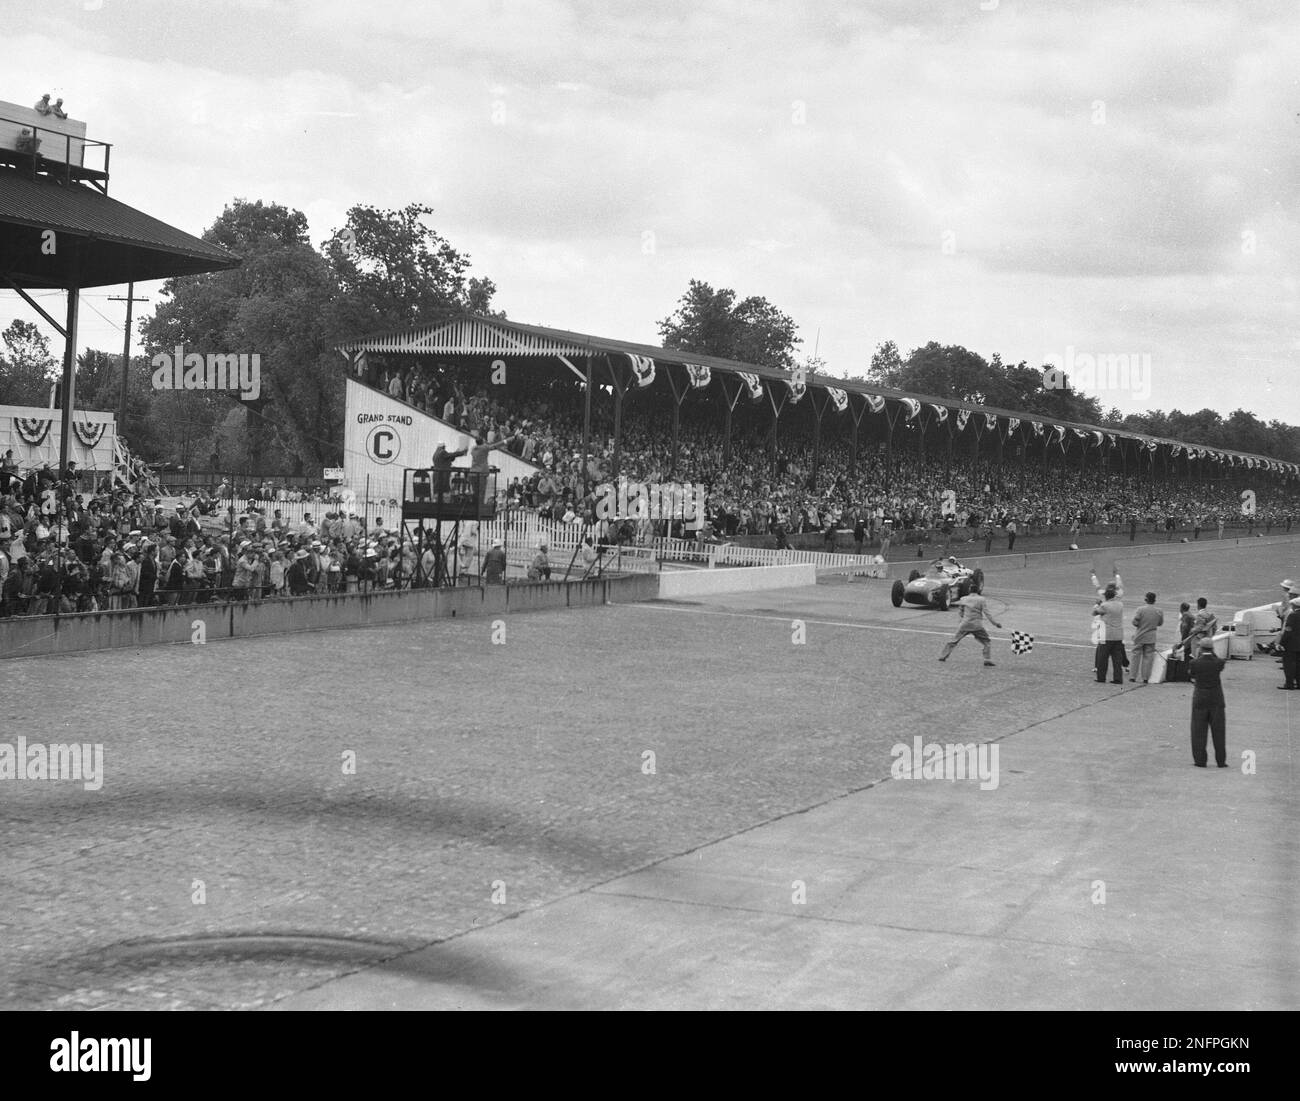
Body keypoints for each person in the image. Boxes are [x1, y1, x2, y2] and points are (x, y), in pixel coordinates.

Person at [938, 580, 1003, 666]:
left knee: (953, 641)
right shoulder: (981, 599)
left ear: (969, 590)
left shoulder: (963, 599)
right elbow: (987, 613)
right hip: (977, 625)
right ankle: (987, 659)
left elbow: (961, 612)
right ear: (977, 591)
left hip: (965, 624)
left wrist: (963, 619)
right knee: (986, 642)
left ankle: (943, 656)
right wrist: (995, 623)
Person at [1188, 637, 1228, 768]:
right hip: (1216, 698)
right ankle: (1221, 761)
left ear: (1200, 648)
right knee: (1219, 731)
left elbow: (1192, 675)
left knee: (1198, 731)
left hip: (1200, 698)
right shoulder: (1219, 662)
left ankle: (1200, 760)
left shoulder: (1194, 663)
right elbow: (1219, 662)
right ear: (1212, 648)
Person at [1092, 582, 1125, 684]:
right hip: (1118, 635)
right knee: (1117, 660)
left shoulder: (1104, 605)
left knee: (1102, 658)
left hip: (1106, 635)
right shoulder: (1120, 604)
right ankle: (1118, 678)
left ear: (1106, 596)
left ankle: (1101, 677)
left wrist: (1098, 604)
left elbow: (1094, 613)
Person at [1130, 591, 1163, 684]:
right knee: (1148, 657)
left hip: (1140, 635)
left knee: (1135, 656)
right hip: (1151, 637)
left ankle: (1133, 676)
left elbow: (1135, 622)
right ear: (1154, 600)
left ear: (1146, 599)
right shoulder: (1159, 611)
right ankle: (1145, 678)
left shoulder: (1140, 609)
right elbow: (1160, 623)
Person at [1279, 596, 1300, 690]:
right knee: (1299, 665)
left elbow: (1288, 630)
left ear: (1295, 606)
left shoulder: (1293, 615)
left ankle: (1289, 684)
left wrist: (1281, 643)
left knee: (1288, 665)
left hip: (1291, 645)